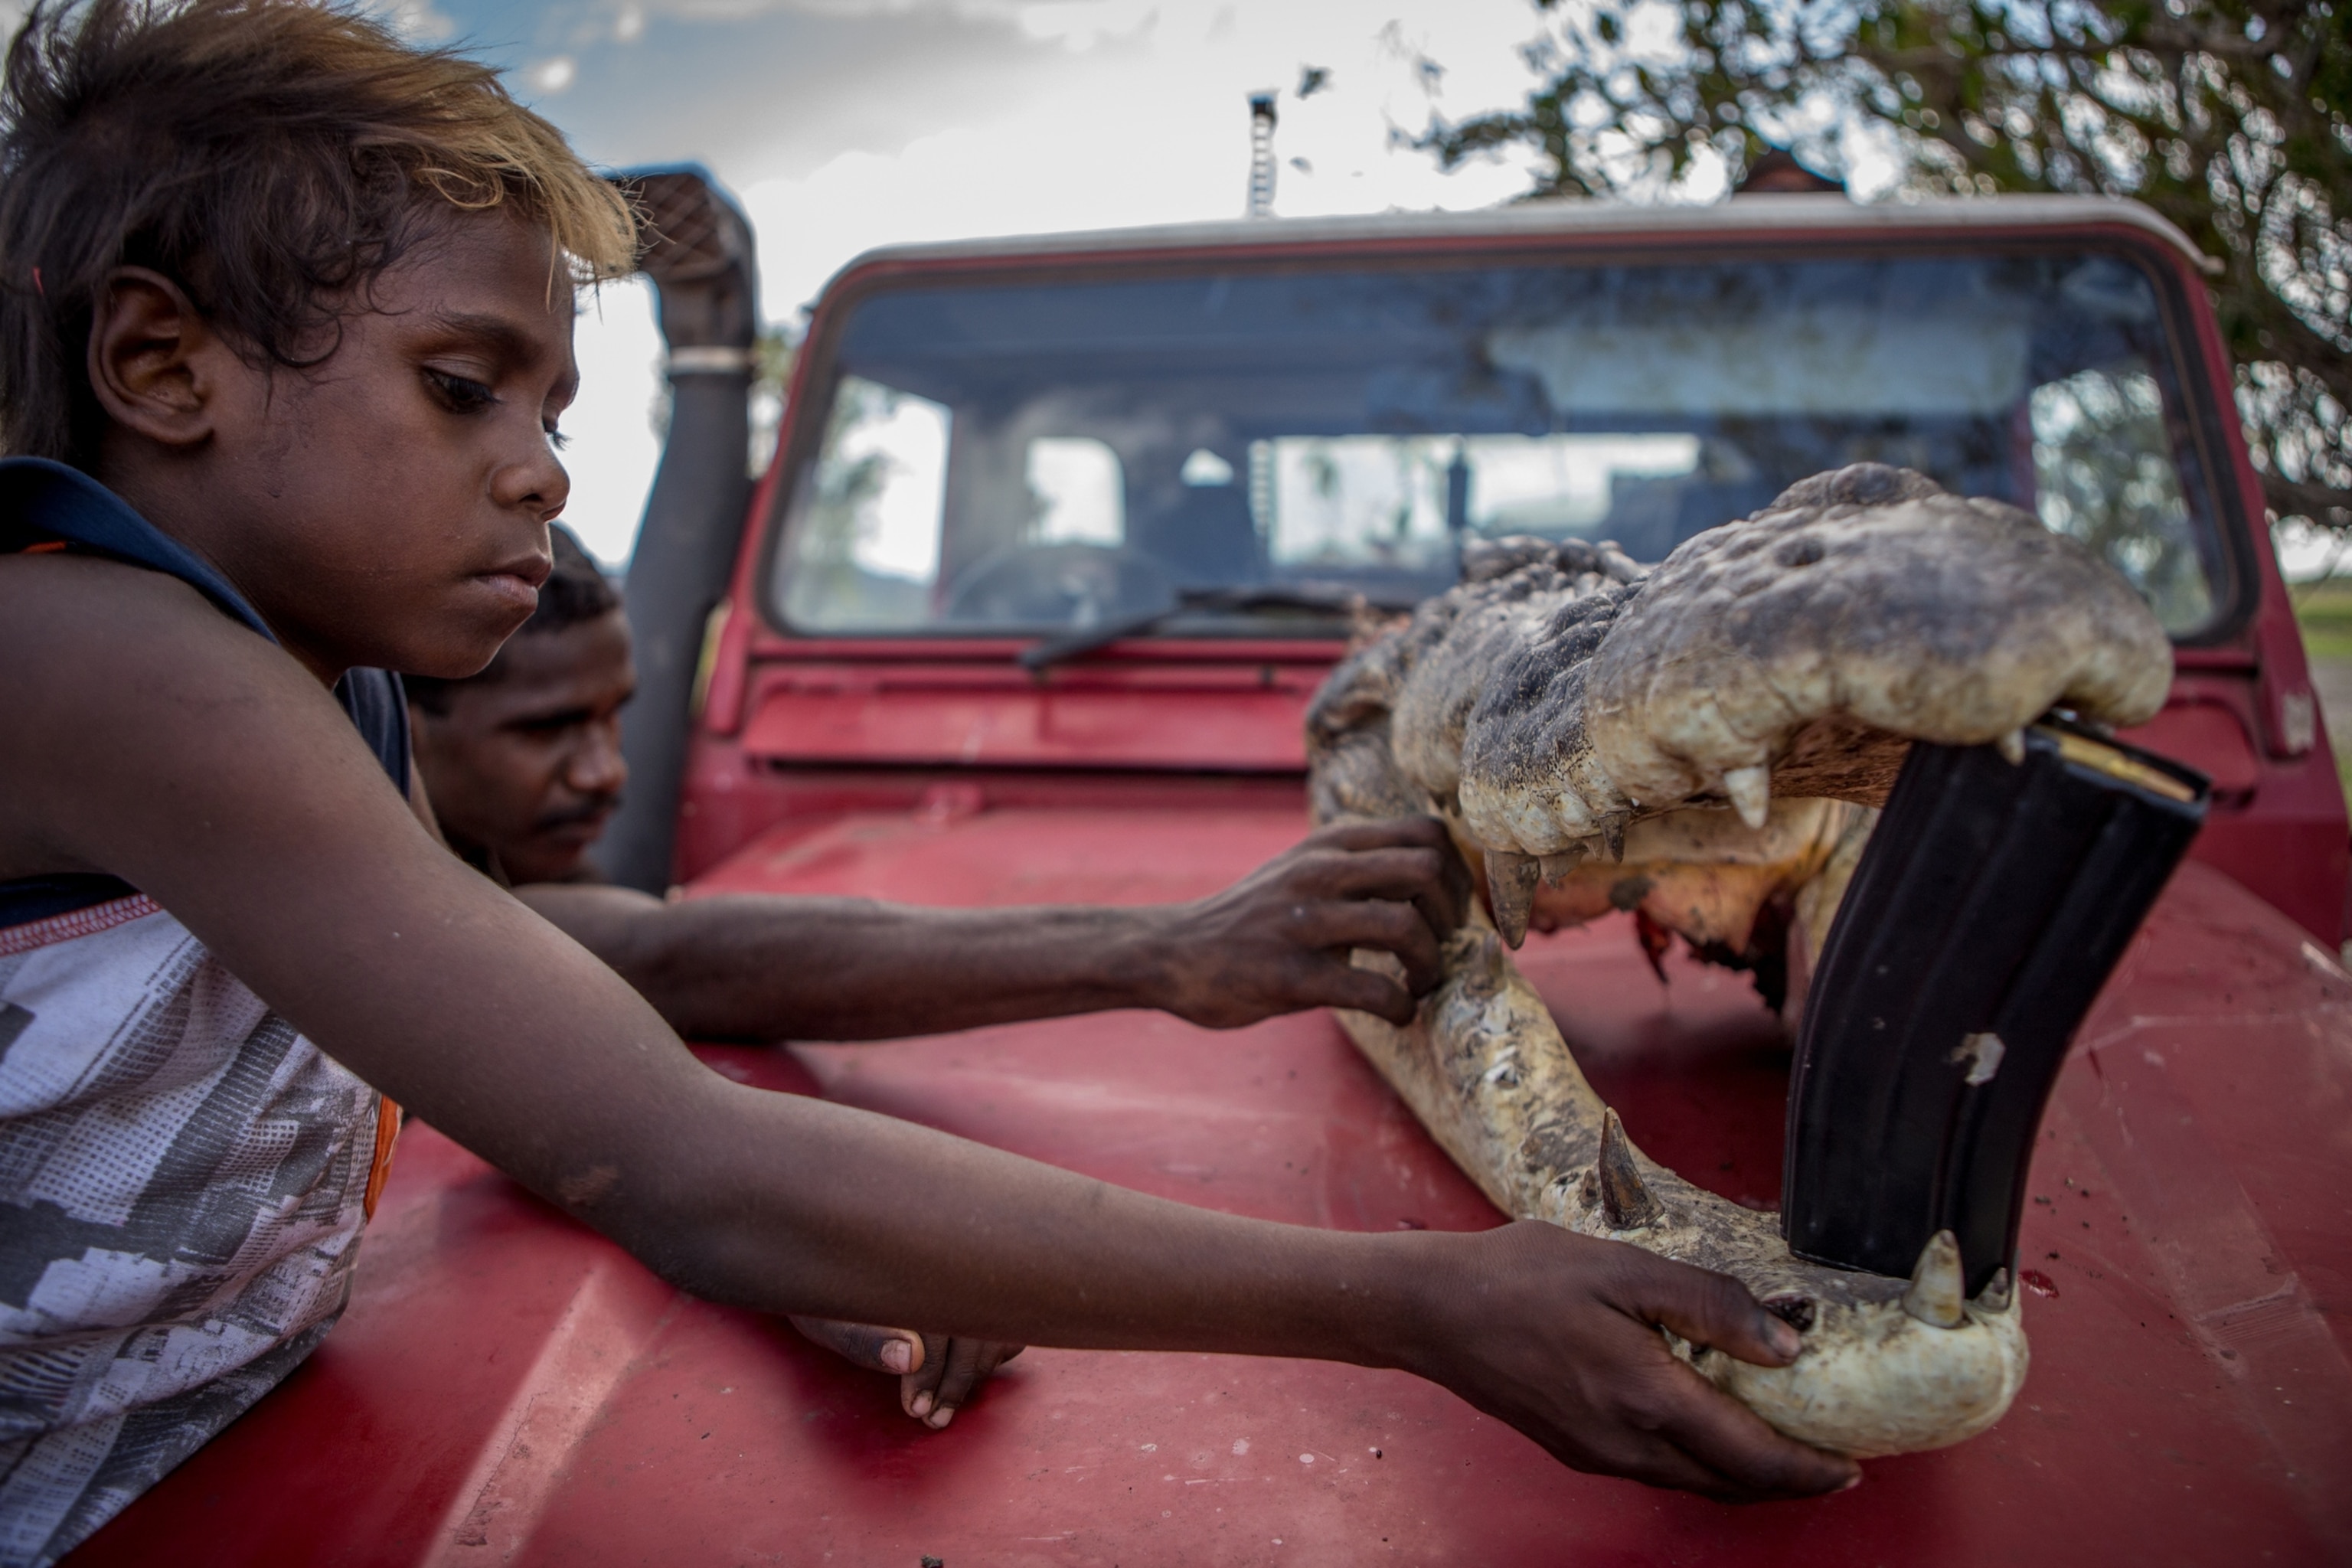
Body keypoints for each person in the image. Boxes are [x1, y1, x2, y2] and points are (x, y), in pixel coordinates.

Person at [0, 2, 1857, 1558]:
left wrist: (1153, 964)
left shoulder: (308, 696)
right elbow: (665, 1146)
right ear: (164, 364)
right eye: (465, 386)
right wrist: (1423, 1300)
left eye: (559, 411)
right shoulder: (97, 659)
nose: (546, 472)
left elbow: (602, 979)